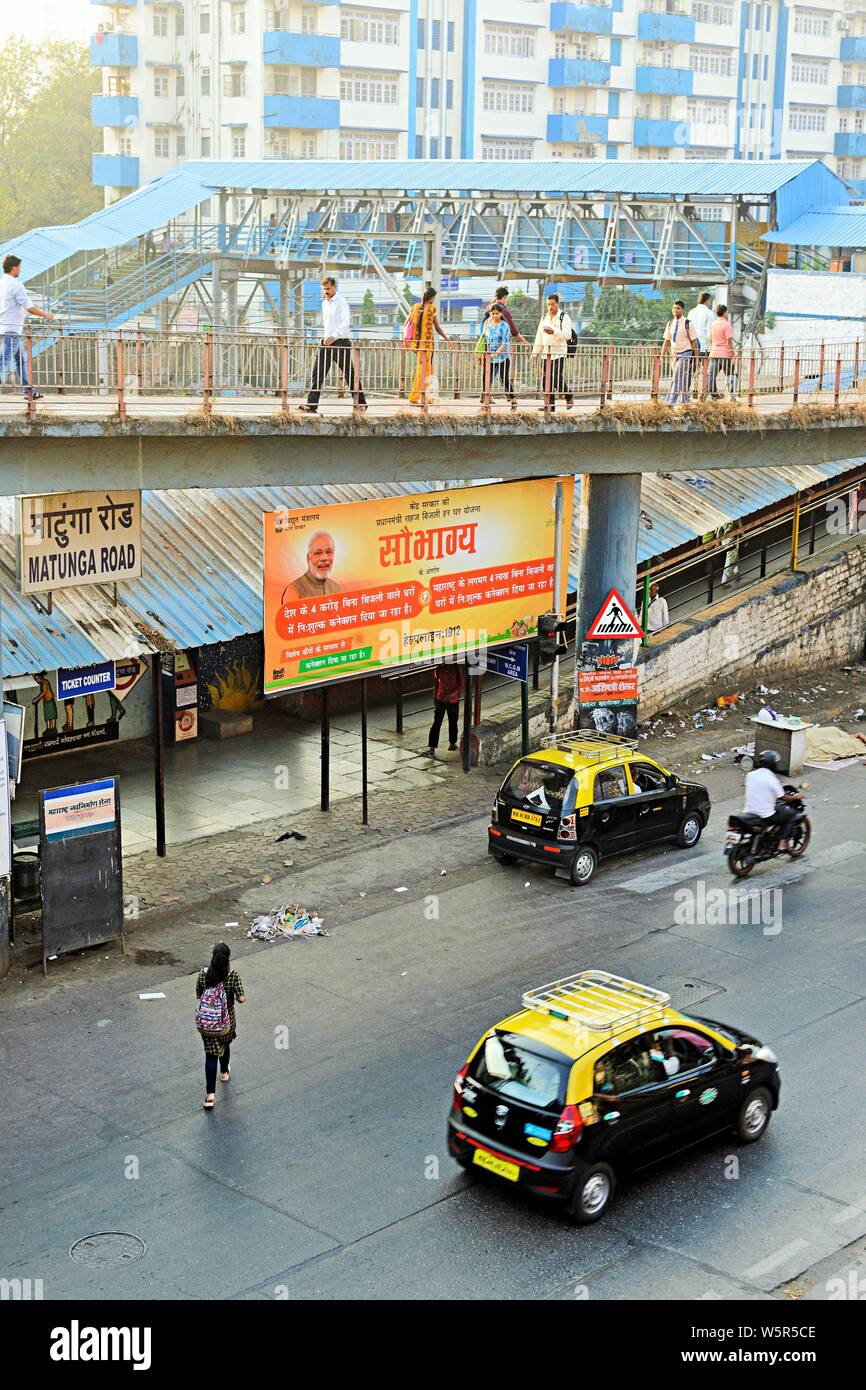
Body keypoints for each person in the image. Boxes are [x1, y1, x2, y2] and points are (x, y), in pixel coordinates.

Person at [301, 276, 367, 414]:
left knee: (349, 373)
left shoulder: (341, 302)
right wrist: (327, 338)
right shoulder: (325, 303)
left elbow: (345, 322)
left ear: (334, 287)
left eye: (328, 289)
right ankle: (311, 404)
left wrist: (334, 336)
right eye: (324, 289)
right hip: (327, 342)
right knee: (317, 373)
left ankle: (361, 403)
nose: (326, 291)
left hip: (340, 341)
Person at [196, 942, 246, 1111]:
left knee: (210, 1056)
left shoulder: (203, 975)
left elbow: (198, 995)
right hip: (226, 1023)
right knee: (225, 1045)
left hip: (207, 1025)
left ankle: (210, 1096)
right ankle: (224, 1072)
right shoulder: (232, 975)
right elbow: (241, 998)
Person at [0, 254, 57, 400]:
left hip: (7, 328)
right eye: (19, 267)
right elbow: (29, 307)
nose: (20, 270)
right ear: (14, 268)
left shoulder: (2, 283)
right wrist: (46, 315)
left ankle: (29, 391)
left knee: (20, 360)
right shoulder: (15, 284)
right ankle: (28, 391)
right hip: (11, 329)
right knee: (4, 360)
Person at [743, 749, 800, 852]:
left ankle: (769, 828)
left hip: (749, 811)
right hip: (765, 815)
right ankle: (782, 843)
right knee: (790, 814)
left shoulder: (750, 775)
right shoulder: (771, 778)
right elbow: (783, 797)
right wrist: (795, 797)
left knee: (775, 808)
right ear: (772, 764)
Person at [406, 287, 452, 405]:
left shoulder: (415, 307)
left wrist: (405, 339)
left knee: (423, 370)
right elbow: (437, 327)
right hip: (427, 346)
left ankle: (423, 396)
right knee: (425, 371)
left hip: (416, 346)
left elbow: (407, 324)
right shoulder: (432, 309)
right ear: (431, 298)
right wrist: (447, 339)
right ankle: (418, 397)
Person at [531, 293, 574, 412]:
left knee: (556, 378)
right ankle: (549, 406)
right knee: (546, 379)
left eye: (553, 304)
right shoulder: (544, 317)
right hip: (546, 353)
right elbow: (539, 336)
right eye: (548, 304)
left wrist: (553, 331)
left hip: (559, 352)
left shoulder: (564, 317)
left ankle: (568, 396)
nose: (550, 307)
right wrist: (535, 353)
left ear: (558, 304)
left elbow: (567, 335)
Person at [281, 530, 340, 603]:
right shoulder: (294, 591)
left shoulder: (336, 589)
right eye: (318, 553)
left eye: (328, 552)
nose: (324, 558)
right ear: (308, 558)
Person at [421, 663, 465, 758]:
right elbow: (436, 684)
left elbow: (461, 685)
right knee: (436, 723)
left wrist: (452, 694)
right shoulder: (438, 668)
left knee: (453, 721)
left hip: (453, 700)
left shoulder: (456, 668)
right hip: (440, 698)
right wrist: (435, 698)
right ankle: (432, 747)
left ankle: (452, 743)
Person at [662, 300, 699, 406]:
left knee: (677, 377)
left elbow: (694, 342)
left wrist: (696, 358)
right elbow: (667, 341)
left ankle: (670, 402)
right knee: (681, 378)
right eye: (674, 308)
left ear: (682, 310)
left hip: (685, 353)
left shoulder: (688, 323)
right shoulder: (670, 324)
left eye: (678, 308)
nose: (675, 310)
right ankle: (685, 400)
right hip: (674, 354)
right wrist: (661, 355)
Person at [479, 303, 515, 404]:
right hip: (489, 355)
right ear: (490, 313)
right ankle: (486, 400)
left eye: (497, 313)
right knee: (485, 377)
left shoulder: (505, 325)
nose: (495, 315)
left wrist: (497, 352)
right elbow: (484, 339)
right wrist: (482, 353)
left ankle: (513, 399)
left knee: (504, 379)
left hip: (503, 355)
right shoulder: (487, 323)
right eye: (493, 313)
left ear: (501, 314)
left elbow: (505, 342)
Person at [708, 303, 735, 398]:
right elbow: (729, 341)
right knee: (730, 374)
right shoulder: (727, 324)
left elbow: (710, 339)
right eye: (727, 312)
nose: (727, 314)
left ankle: (713, 395)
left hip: (714, 353)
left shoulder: (713, 324)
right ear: (724, 312)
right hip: (725, 354)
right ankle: (732, 396)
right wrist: (733, 354)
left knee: (711, 376)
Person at [688, 291, 714, 355]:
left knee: (691, 365)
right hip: (704, 346)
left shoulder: (691, 312)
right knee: (704, 365)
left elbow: (688, 329)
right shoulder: (709, 313)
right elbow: (710, 332)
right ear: (707, 301)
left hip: (692, 346)